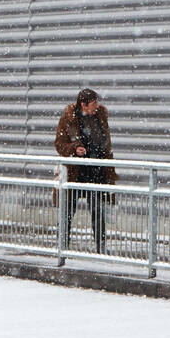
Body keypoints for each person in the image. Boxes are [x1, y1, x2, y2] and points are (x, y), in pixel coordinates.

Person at [54, 88, 116, 254]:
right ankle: (63, 245)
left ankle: (101, 248)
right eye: (93, 103)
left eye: (97, 103)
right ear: (84, 104)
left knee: (98, 212)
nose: (96, 106)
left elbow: (106, 144)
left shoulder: (100, 119)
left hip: (96, 173)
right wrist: (74, 148)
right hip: (75, 174)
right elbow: (59, 145)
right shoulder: (68, 120)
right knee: (67, 211)